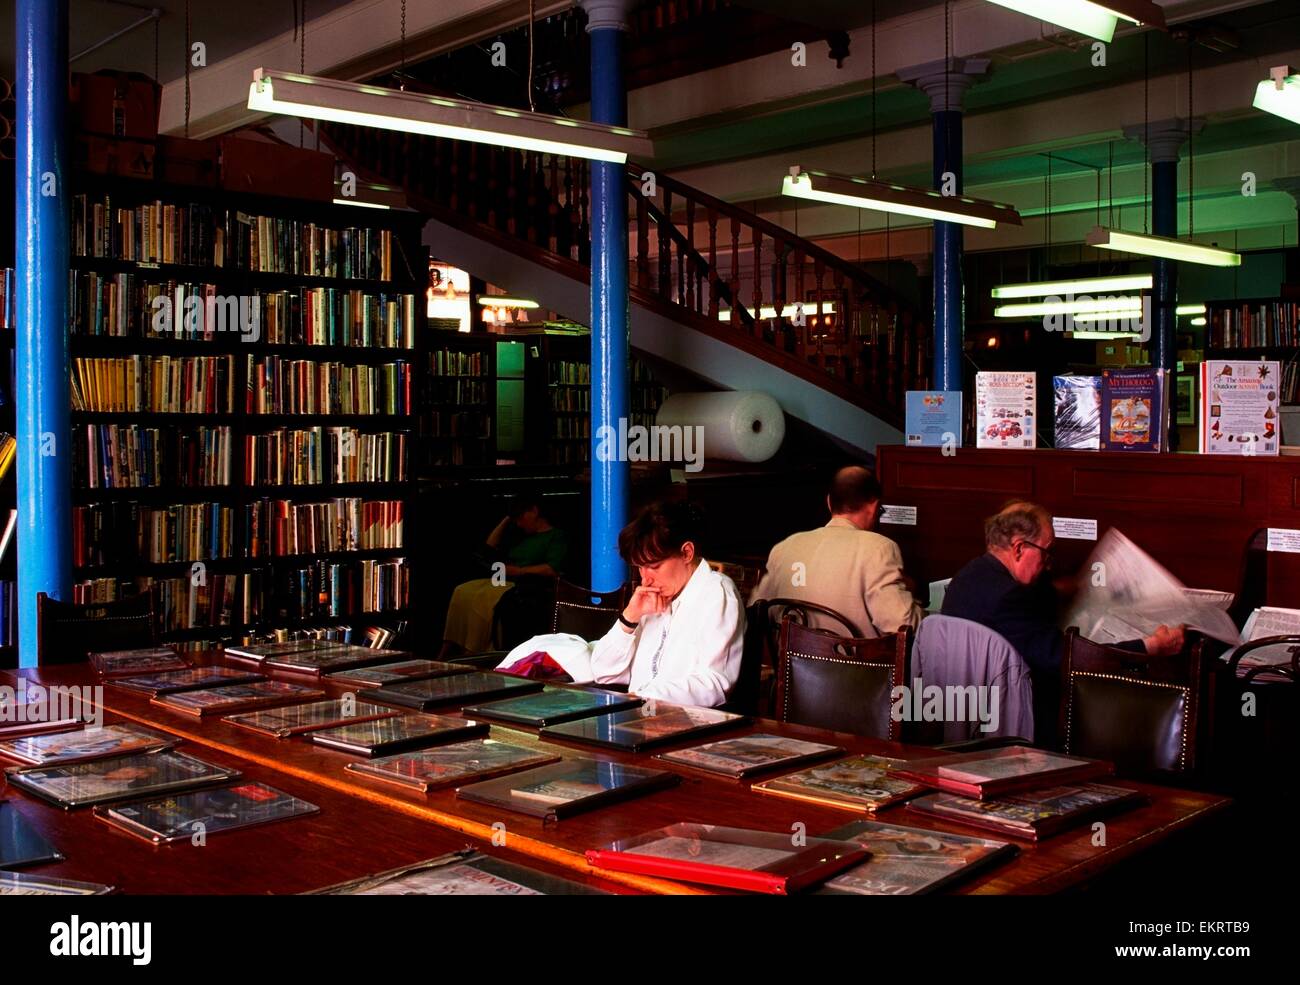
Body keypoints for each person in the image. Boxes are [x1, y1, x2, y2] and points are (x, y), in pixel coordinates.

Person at [942, 501, 1185, 673]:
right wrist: (1148, 647)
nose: (1047, 565)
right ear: (1018, 548)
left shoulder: (969, 575)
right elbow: (1065, 658)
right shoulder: (1008, 597)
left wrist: (1063, 591)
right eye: (1046, 552)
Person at [589, 500, 744, 707]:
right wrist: (630, 618)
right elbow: (603, 674)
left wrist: (642, 697)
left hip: (685, 723)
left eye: (654, 566)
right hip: (640, 715)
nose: (646, 579)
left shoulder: (716, 593)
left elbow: (714, 684)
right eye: (640, 568)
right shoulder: (651, 597)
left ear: (686, 553)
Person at [750, 465, 923, 637]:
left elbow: (757, 610)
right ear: (874, 507)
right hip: (855, 663)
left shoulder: (784, 547)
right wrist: (919, 607)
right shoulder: (880, 548)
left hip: (790, 663)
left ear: (829, 502)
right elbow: (903, 625)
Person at [439, 494, 568, 655]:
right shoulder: (520, 535)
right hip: (503, 578)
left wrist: (520, 571)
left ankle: (472, 649)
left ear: (534, 511)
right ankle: (449, 644)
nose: (519, 523)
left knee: (483, 599)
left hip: (526, 583)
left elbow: (552, 568)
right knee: (462, 591)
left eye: (520, 517)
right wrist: (507, 518)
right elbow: (490, 546)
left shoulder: (555, 536)